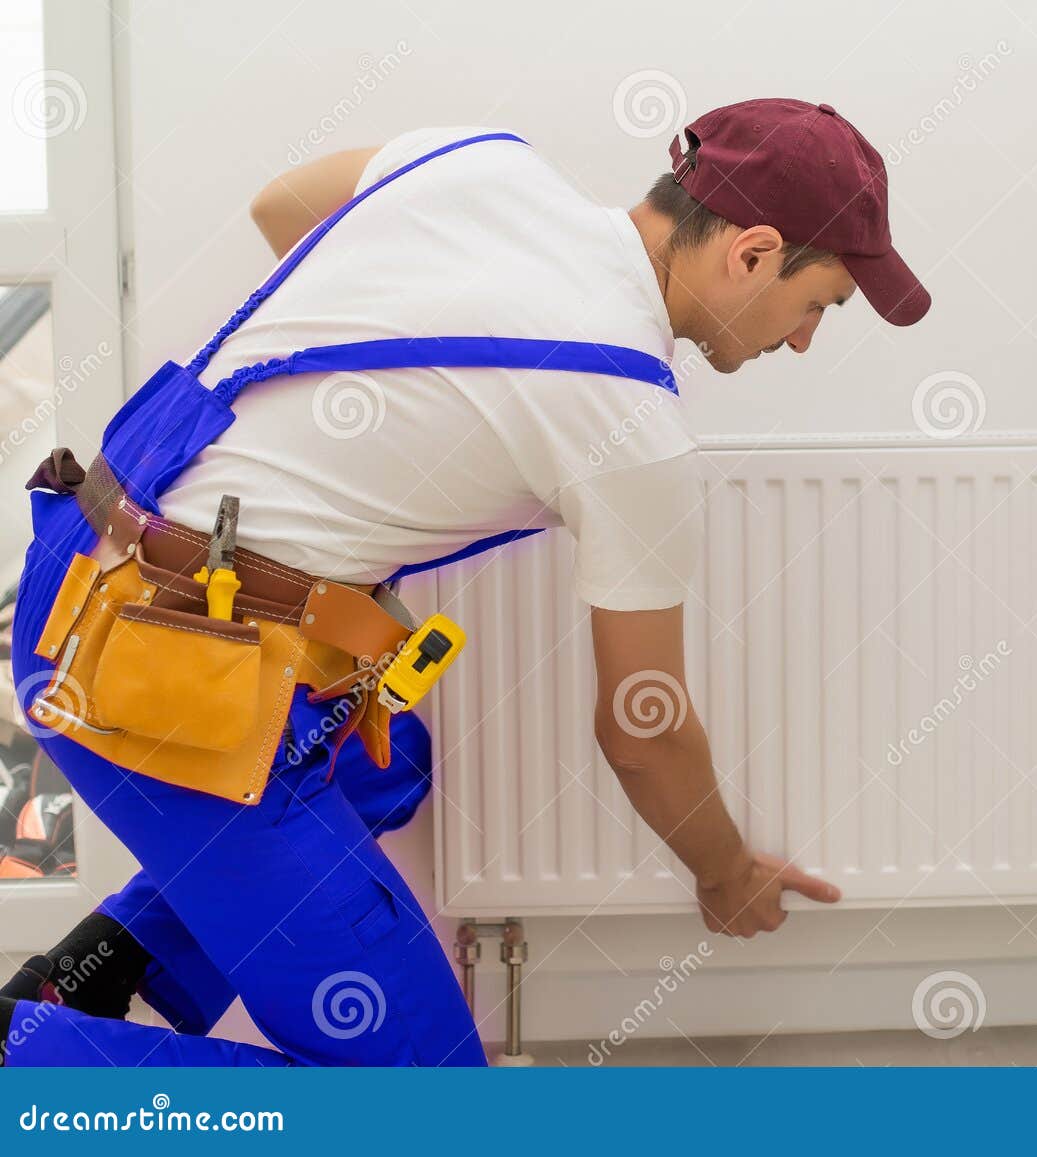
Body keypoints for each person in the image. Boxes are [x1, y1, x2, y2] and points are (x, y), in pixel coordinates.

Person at [1, 97, 929, 1066]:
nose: (805, 337)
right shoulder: (629, 420)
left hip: (83, 558)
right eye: (819, 303)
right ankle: (20, 1060)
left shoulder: (484, 161)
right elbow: (642, 729)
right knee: (428, 1101)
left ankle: (93, 971)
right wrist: (724, 872)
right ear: (753, 253)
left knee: (388, 759)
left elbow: (283, 204)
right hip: (155, 672)